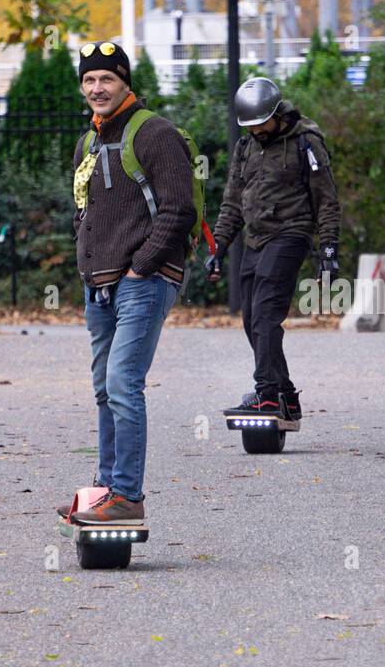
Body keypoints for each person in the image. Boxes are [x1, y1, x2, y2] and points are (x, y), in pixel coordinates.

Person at [62, 41, 195, 525]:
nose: (97, 88)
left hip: (143, 279)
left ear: (125, 83)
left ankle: (127, 496)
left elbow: (181, 209)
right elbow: (84, 209)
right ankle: (105, 487)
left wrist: (142, 265)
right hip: (97, 283)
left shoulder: (155, 133)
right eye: (89, 80)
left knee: (122, 383)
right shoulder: (89, 141)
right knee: (103, 387)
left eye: (107, 79)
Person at [206, 77, 341, 420]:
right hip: (256, 237)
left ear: (276, 114)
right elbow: (233, 202)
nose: (256, 131)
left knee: (266, 313)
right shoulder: (246, 147)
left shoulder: (305, 142)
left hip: (291, 233)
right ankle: (285, 394)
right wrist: (219, 247)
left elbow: (326, 200)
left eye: (261, 123)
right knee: (252, 320)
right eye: (249, 126)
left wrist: (328, 251)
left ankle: (266, 395)